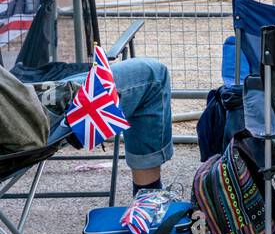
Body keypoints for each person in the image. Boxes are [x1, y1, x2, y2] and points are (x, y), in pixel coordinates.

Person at [31, 58, 175, 196]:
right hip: (24, 110)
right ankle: (148, 196)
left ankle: (147, 196)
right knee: (153, 75)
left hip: (18, 110)